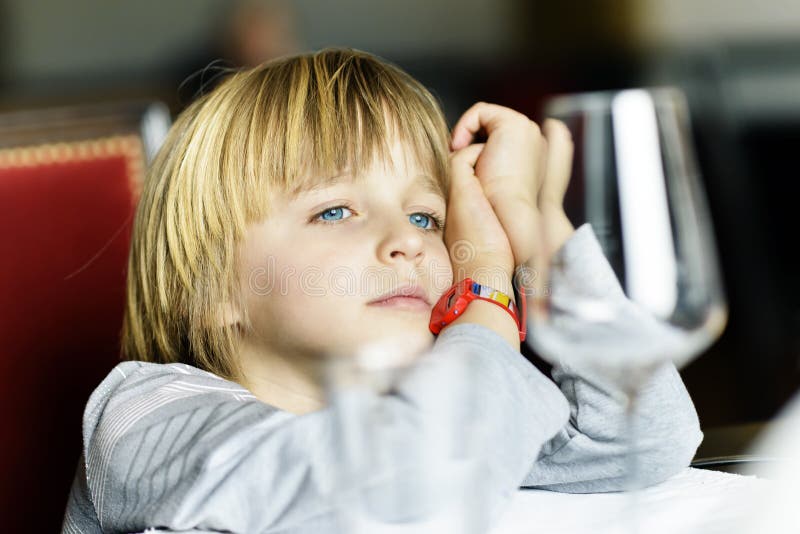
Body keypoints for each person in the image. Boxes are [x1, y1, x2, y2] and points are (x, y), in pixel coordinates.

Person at [62, 48, 702, 533]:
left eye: (427, 216)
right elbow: (407, 477)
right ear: (208, 288)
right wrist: (486, 297)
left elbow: (645, 438)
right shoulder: (141, 415)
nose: (409, 241)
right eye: (335, 211)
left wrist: (531, 226)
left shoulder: (437, 403)